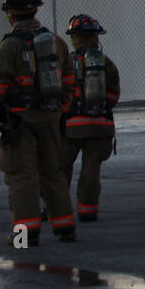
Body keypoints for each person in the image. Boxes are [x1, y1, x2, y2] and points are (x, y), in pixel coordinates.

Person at [0, 0, 76, 245]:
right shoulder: (56, 42)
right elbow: (69, 82)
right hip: (50, 119)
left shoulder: (10, 45)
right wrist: (60, 113)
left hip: (19, 122)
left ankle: (26, 233)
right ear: (35, 10)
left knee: (21, 176)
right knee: (53, 173)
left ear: (11, 15)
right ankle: (65, 227)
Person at [63, 15, 120, 222]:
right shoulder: (105, 63)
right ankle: (87, 211)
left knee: (61, 168)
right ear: (95, 37)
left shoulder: (65, 62)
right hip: (99, 126)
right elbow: (114, 95)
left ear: (74, 37)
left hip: (70, 127)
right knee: (91, 170)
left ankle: (58, 209)